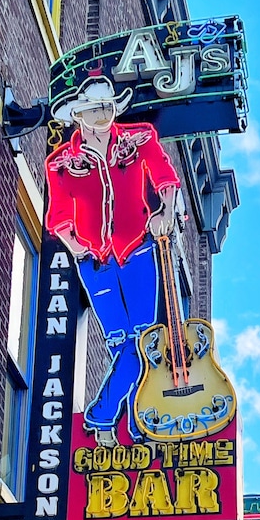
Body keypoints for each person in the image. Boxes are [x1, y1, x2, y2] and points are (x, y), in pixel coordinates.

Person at [45, 74, 182, 446]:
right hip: (96, 262)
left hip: (137, 252)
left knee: (143, 343)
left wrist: (165, 211)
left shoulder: (138, 139)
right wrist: (76, 247)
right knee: (124, 345)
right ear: (80, 115)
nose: (103, 115)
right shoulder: (61, 162)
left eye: (107, 107)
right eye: (94, 109)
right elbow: (58, 216)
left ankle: (115, 419)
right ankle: (120, 420)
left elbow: (165, 176)